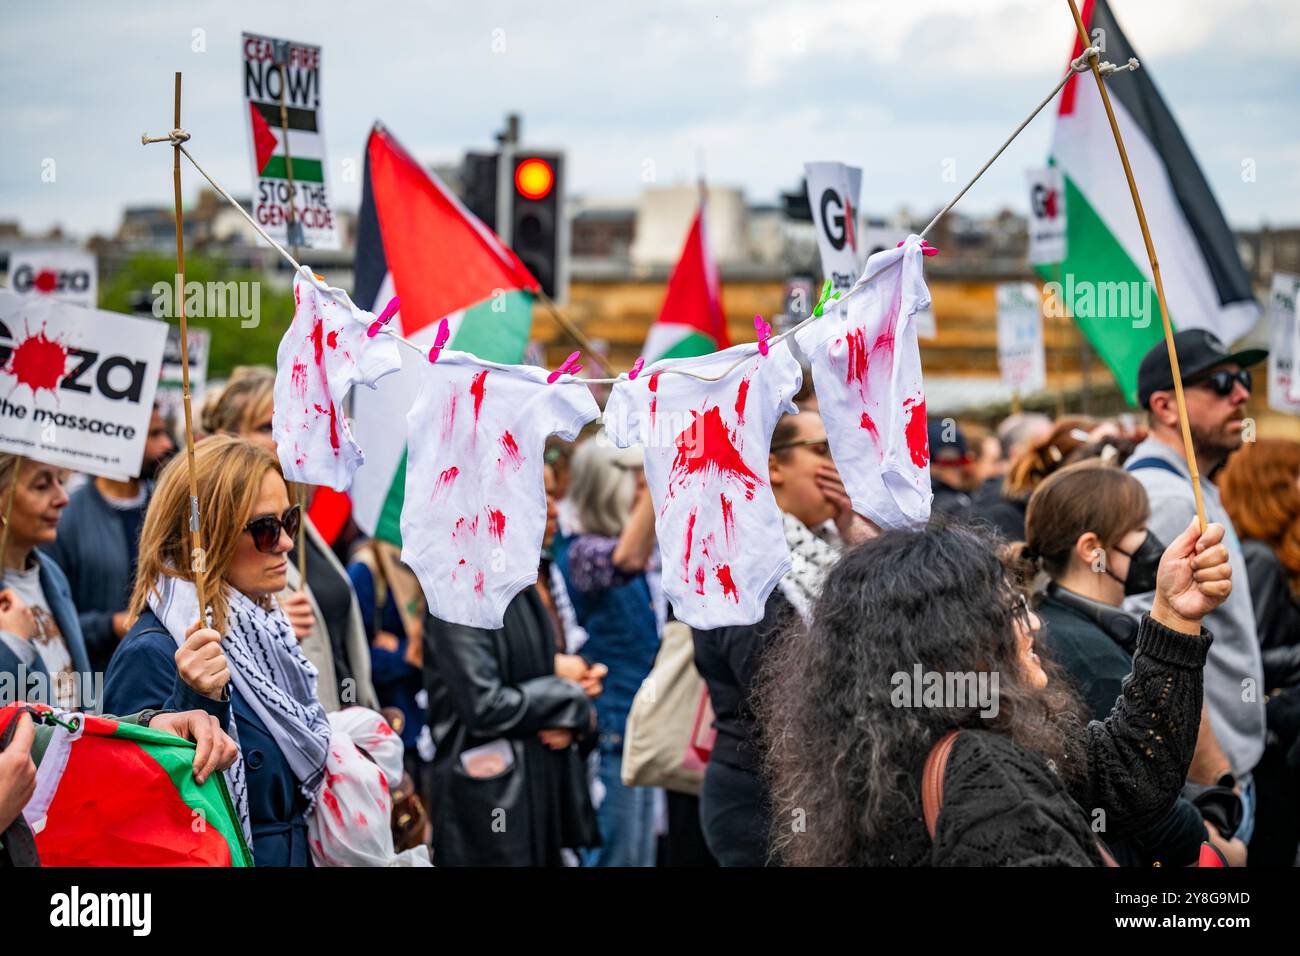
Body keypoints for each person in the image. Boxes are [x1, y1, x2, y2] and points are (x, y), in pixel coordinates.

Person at [755, 515, 1233, 866]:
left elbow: (1128, 775)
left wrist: (1175, 615)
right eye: (1011, 613)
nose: (1035, 625)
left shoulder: (886, 753)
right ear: (957, 642)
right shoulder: (989, 778)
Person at [104, 436, 333, 867]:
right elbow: (140, 815)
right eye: (265, 529)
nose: (285, 542)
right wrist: (192, 698)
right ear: (207, 537)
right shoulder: (153, 651)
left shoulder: (267, 633)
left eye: (291, 520)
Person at [1020, 459, 1245, 865]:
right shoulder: (1095, 659)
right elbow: (1139, 791)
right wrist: (1218, 847)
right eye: (1139, 529)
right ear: (1092, 549)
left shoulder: (1058, 617)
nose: (1151, 541)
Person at [692, 409, 872, 866]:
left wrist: (860, 540)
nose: (838, 465)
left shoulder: (833, 547)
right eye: (821, 451)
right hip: (760, 797)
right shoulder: (744, 557)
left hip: (813, 787)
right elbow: (770, 687)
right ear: (773, 467)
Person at [1123, 329, 1268, 845]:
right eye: (1221, 383)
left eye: (1243, 380)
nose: (1242, 395)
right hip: (1207, 784)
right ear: (1165, 406)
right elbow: (1150, 647)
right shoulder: (1163, 497)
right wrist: (1217, 778)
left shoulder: (1188, 486)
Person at [422, 462, 602, 867]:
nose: (554, 509)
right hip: (491, 820)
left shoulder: (520, 578)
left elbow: (527, 680)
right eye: (542, 495)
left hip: (539, 804)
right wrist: (569, 700)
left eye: (555, 495)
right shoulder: (460, 581)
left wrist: (574, 718)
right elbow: (484, 703)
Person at [203, 366, 377, 712]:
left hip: (348, 731)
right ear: (226, 438)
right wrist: (264, 623)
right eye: (267, 427)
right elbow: (190, 628)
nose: (283, 437)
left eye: (290, 424)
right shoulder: (210, 530)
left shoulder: (300, 521)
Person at [552, 437, 660, 866]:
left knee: (637, 854)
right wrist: (656, 481)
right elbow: (627, 558)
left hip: (638, 726)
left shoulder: (599, 545)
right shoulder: (582, 552)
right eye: (632, 484)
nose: (639, 494)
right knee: (616, 854)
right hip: (613, 727)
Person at [42, 405, 176, 673]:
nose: (167, 444)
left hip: (161, 677)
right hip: (96, 683)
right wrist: (110, 625)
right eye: (153, 434)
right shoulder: (65, 517)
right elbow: (48, 622)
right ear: (118, 439)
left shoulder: (169, 509)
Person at [1219, 437, 1300, 866]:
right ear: (1275, 486)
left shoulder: (1268, 553)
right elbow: (1251, 660)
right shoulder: (1260, 560)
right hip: (1268, 747)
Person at [0, 455, 93, 713]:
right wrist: (12, 644)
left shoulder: (52, 575)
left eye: (60, 480)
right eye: (41, 486)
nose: (62, 498)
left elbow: (83, 708)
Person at [970, 415, 1096, 542]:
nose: (1050, 452)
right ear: (1017, 452)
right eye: (1043, 446)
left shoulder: (1039, 498)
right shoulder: (1002, 509)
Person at [925, 419, 973, 518]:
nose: (955, 468)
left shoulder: (964, 495)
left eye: (960, 461)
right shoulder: (951, 505)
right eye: (946, 463)